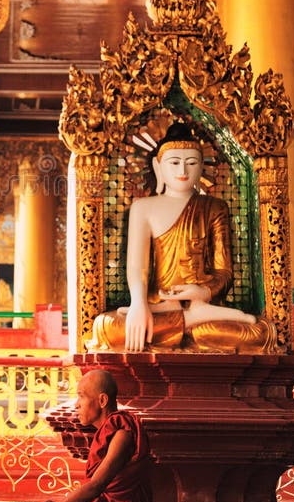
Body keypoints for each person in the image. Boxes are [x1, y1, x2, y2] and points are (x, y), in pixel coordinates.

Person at [87, 122, 276, 353]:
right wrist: (138, 303)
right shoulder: (143, 208)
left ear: (201, 167)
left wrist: (203, 292)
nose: (182, 171)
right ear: (158, 167)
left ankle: (193, 318)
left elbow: (224, 272)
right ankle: (191, 319)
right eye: (174, 162)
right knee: (107, 327)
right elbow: (138, 268)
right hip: (159, 306)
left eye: (192, 163)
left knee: (260, 333)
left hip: (204, 306)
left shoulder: (214, 207)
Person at [18, 368, 154, 502]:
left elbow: (96, 486)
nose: (76, 404)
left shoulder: (123, 433)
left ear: (102, 401)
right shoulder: (107, 431)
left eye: (81, 396)